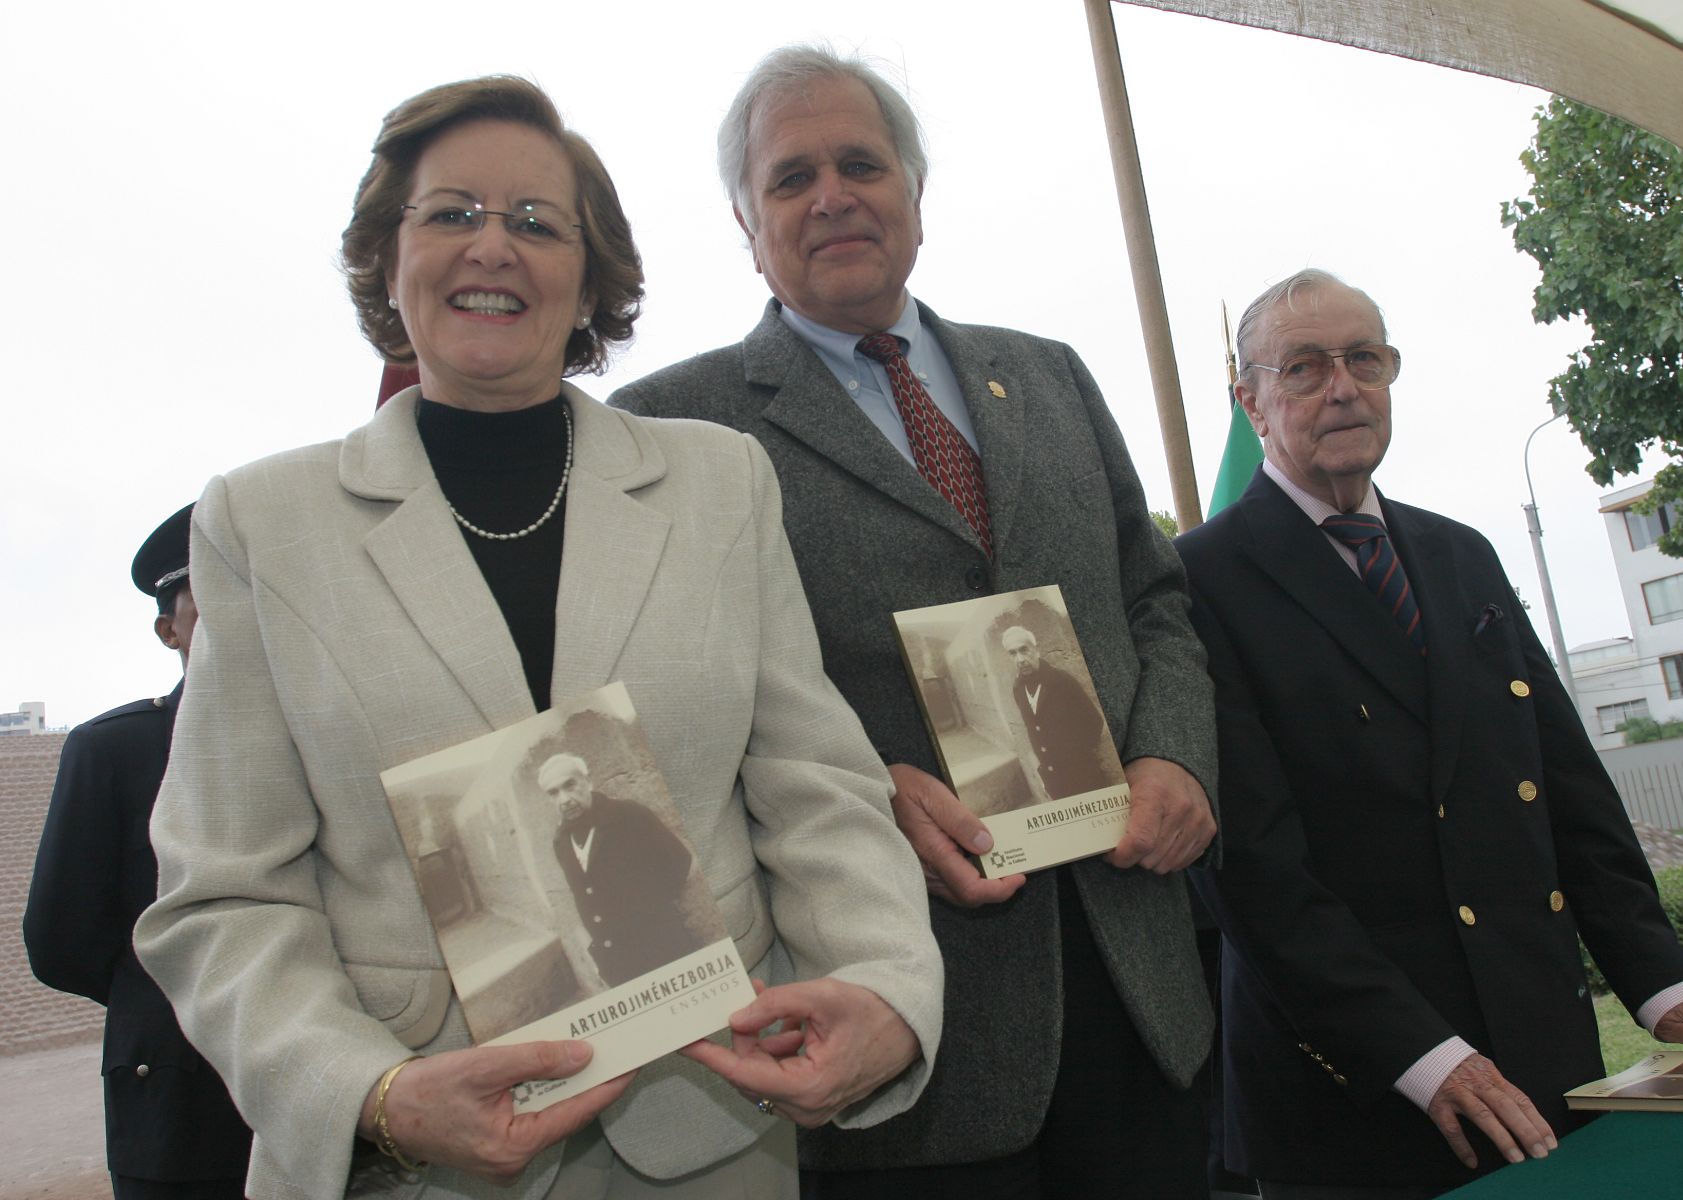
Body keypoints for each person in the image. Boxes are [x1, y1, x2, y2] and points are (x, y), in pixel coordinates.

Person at [134, 75, 942, 1200]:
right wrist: (368, 1093)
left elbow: (818, 789)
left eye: (535, 223)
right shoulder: (263, 525)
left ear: (589, 273)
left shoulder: (718, 484)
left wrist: (891, 989)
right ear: (387, 255)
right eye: (451, 214)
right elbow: (224, 895)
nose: (492, 248)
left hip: (710, 1135)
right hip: (412, 1157)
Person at [611, 45, 1218, 1199]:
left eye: (860, 163)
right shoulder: (669, 430)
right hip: (898, 1029)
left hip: (1140, 990)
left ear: (916, 199)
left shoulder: (1050, 377)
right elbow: (655, 719)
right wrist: (852, 785)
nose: (833, 195)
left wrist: (1176, 751)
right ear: (746, 224)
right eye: (791, 179)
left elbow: (1156, 599)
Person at [1176, 269, 1683, 1198]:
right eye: (1304, 368)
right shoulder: (1197, 581)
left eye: (1364, 359)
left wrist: (1667, 986)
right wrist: (1425, 1058)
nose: (1343, 386)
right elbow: (1253, 873)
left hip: (1540, 1055)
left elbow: (1569, 791)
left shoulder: (1460, 552)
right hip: (1361, 1088)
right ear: (1250, 401)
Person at [23, 504, 253, 1200]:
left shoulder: (320, 742)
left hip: (315, 1088)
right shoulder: (114, 750)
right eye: (206, 601)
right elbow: (61, 940)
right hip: (176, 1094)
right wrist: (162, 992)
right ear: (168, 630)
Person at [537, 753, 704, 986]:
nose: (564, 799)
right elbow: (583, 896)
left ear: (588, 781)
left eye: (569, 785)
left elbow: (679, 862)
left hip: (662, 948)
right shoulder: (562, 842)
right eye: (553, 793)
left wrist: (651, 915)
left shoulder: (628, 815)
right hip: (617, 962)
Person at [1000, 626, 1112, 801]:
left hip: (1084, 777)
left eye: (1024, 650)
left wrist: (1077, 758)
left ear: (1036, 650)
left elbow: (1094, 722)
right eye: (1012, 653)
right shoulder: (1018, 689)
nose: (1020, 659)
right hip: (1054, 781)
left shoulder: (1062, 681)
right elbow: (1034, 729)